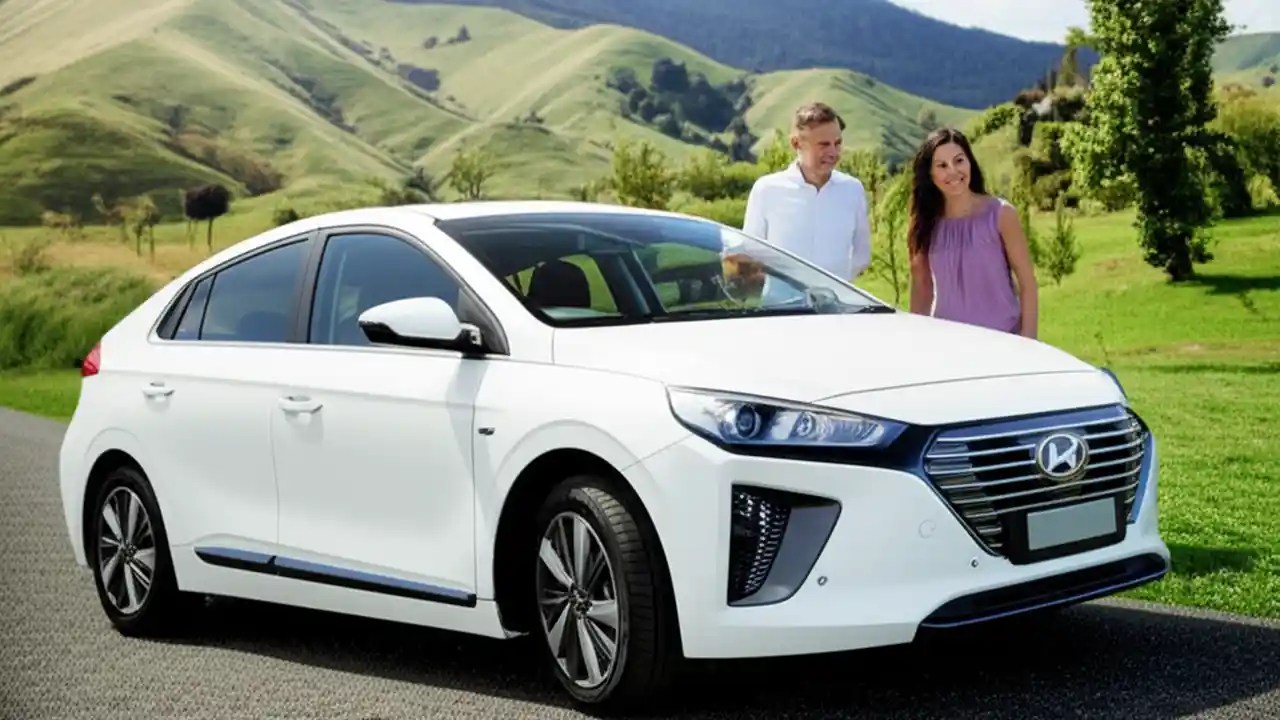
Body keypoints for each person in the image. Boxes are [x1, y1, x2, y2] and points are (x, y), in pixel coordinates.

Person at [906, 127, 1038, 338]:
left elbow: (1027, 283)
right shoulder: (925, 225)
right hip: (947, 345)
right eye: (942, 165)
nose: (953, 171)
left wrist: (1029, 340)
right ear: (930, 174)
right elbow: (921, 288)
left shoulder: (1001, 214)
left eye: (959, 161)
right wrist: (916, 342)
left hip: (1004, 341)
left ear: (970, 162)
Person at [739, 102, 871, 305]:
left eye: (837, 143)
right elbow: (751, 251)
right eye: (824, 145)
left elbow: (862, 254)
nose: (833, 152)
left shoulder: (852, 189)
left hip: (839, 309)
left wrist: (835, 284)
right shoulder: (767, 189)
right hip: (781, 310)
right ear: (796, 144)